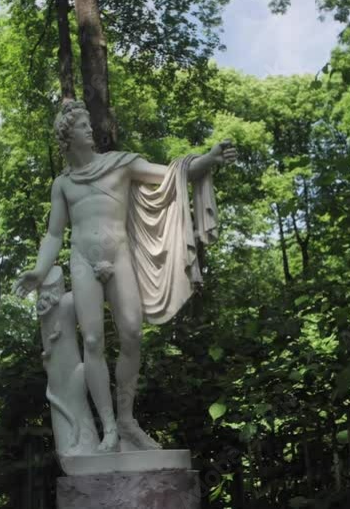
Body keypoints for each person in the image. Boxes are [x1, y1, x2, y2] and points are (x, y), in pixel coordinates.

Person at [14, 100, 237, 452]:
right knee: (92, 343)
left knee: (132, 333)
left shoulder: (120, 164)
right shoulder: (63, 184)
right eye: (83, 126)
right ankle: (109, 429)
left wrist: (207, 161)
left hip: (120, 256)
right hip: (83, 263)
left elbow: (171, 175)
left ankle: (127, 419)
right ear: (69, 137)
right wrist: (39, 269)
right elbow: (54, 234)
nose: (91, 130)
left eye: (89, 124)